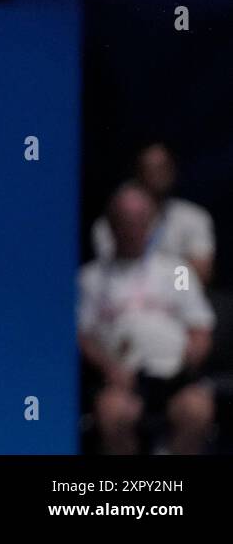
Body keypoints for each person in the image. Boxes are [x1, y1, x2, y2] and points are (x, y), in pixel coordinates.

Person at [79, 183, 216, 454]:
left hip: (175, 378)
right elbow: (82, 335)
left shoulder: (176, 271)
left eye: (139, 221)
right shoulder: (91, 279)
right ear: (111, 225)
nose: (132, 229)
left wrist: (192, 356)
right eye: (124, 221)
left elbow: (199, 324)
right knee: (112, 412)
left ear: (150, 224)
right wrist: (110, 369)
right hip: (123, 380)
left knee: (197, 409)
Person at [91, 143, 216, 285]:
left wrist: (163, 284)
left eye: (162, 167)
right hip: (125, 301)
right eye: (149, 168)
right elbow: (116, 274)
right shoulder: (110, 224)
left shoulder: (194, 217)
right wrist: (180, 266)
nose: (157, 175)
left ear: (173, 171)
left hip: (177, 298)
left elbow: (198, 276)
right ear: (137, 173)